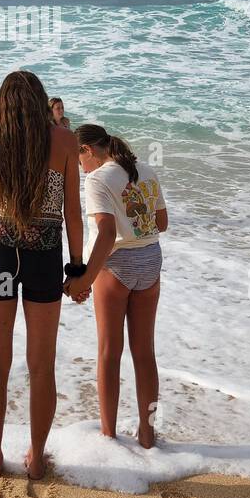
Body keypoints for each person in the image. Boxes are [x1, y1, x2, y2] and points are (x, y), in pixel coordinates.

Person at [0, 71, 84, 481]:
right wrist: (77, 267)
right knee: (42, 366)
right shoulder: (63, 140)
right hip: (44, 257)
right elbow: (72, 213)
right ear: (41, 101)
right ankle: (37, 457)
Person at [66, 124, 167, 448]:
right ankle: (148, 433)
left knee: (109, 352)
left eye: (77, 158)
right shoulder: (146, 170)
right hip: (151, 260)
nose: (79, 167)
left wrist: (85, 279)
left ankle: (108, 434)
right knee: (144, 352)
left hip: (118, 264)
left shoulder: (96, 179)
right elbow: (161, 223)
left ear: (88, 151)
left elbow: (107, 234)